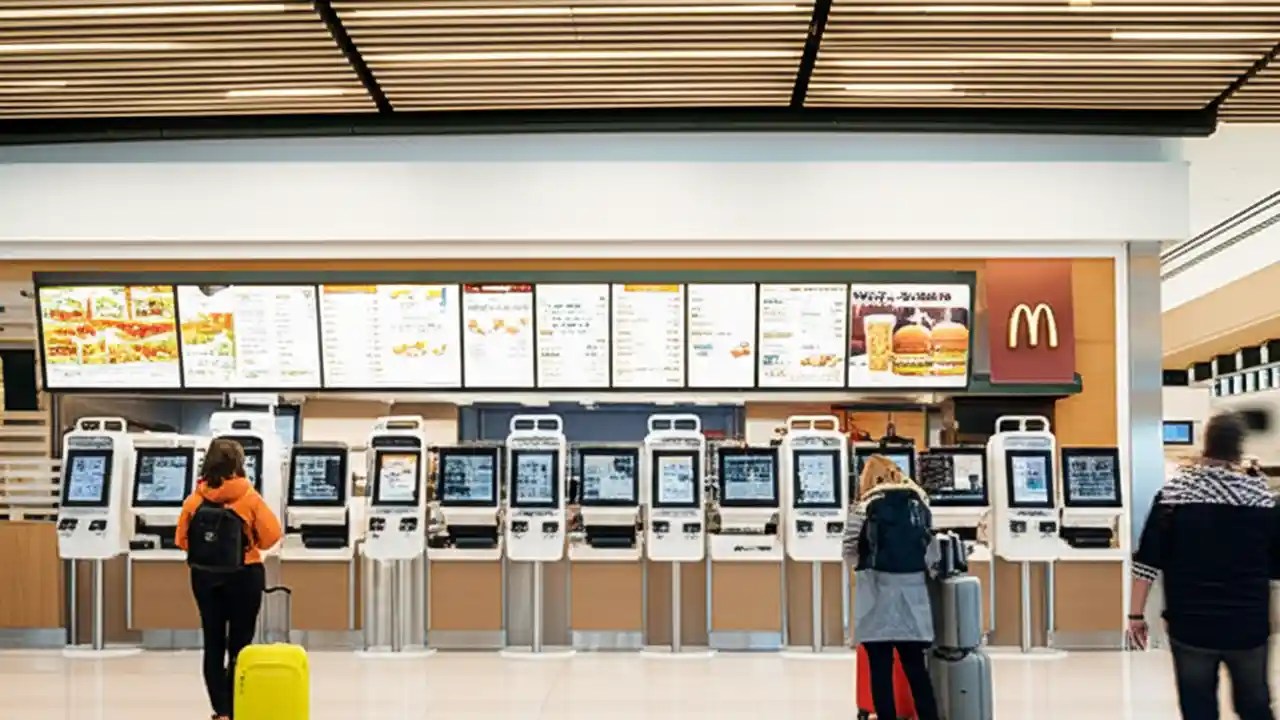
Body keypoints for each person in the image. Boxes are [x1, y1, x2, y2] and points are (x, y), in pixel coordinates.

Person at [1129, 412, 1280, 720]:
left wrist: (1135, 616)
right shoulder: (1263, 499)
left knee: (1198, 708)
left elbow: (1145, 563)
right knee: (1254, 706)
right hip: (1247, 625)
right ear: (1238, 448)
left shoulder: (1173, 496)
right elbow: (1276, 567)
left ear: (1205, 444)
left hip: (1190, 624)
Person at [176, 438, 282, 720]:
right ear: (239, 464)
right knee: (240, 643)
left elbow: (182, 540)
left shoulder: (195, 500)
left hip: (204, 577)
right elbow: (272, 535)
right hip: (244, 575)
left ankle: (220, 709)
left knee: (213, 641)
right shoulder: (249, 498)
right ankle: (238, 705)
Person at [843, 454, 940, 720]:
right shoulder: (919, 504)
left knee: (880, 669)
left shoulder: (864, 507)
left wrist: (862, 570)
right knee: (915, 668)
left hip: (876, 596)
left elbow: (849, 548)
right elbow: (931, 549)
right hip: (913, 597)